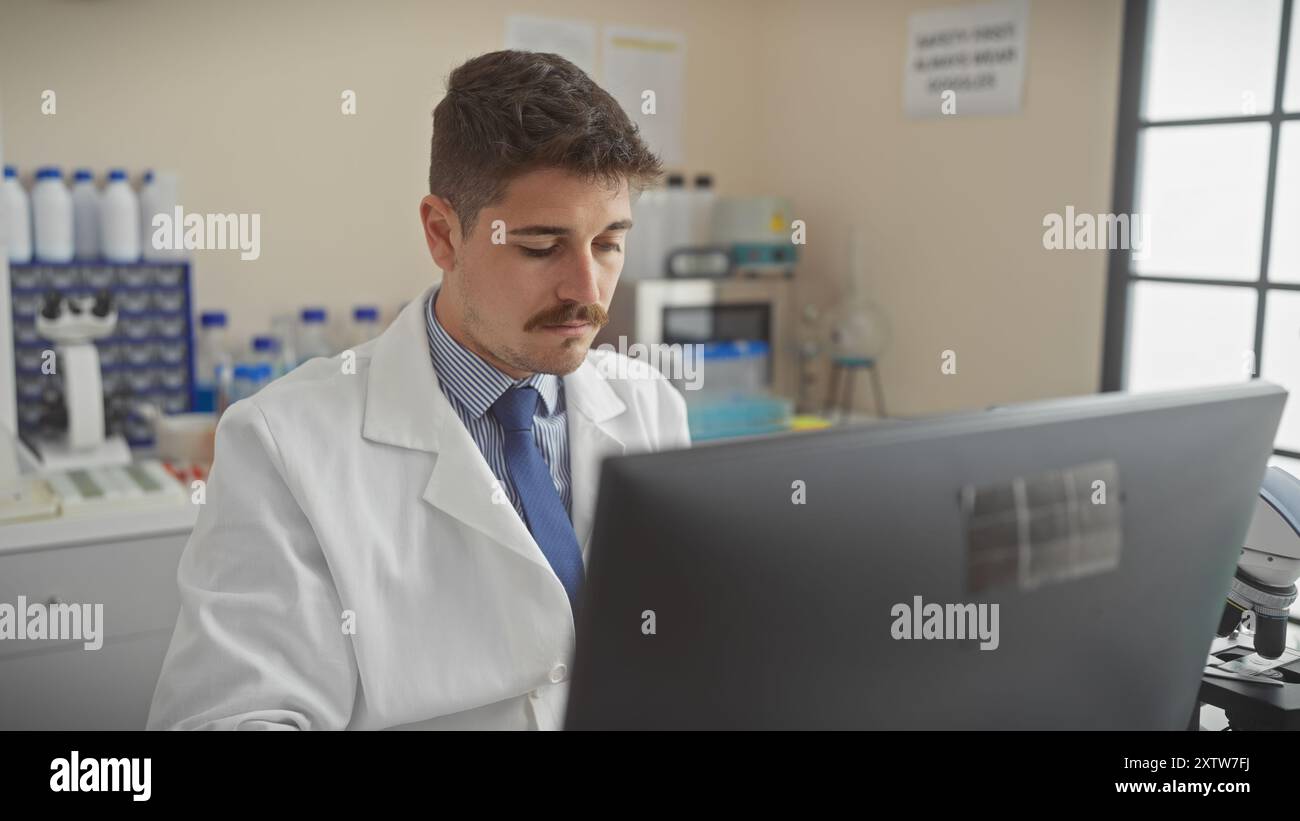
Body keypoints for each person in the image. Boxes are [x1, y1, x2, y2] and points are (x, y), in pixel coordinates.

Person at [147, 50, 690, 730]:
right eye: (540, 246)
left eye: (608, 243)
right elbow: (235, 716)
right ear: (443, 234)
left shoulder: (649, 406)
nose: (587, 289)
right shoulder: (283, 443)